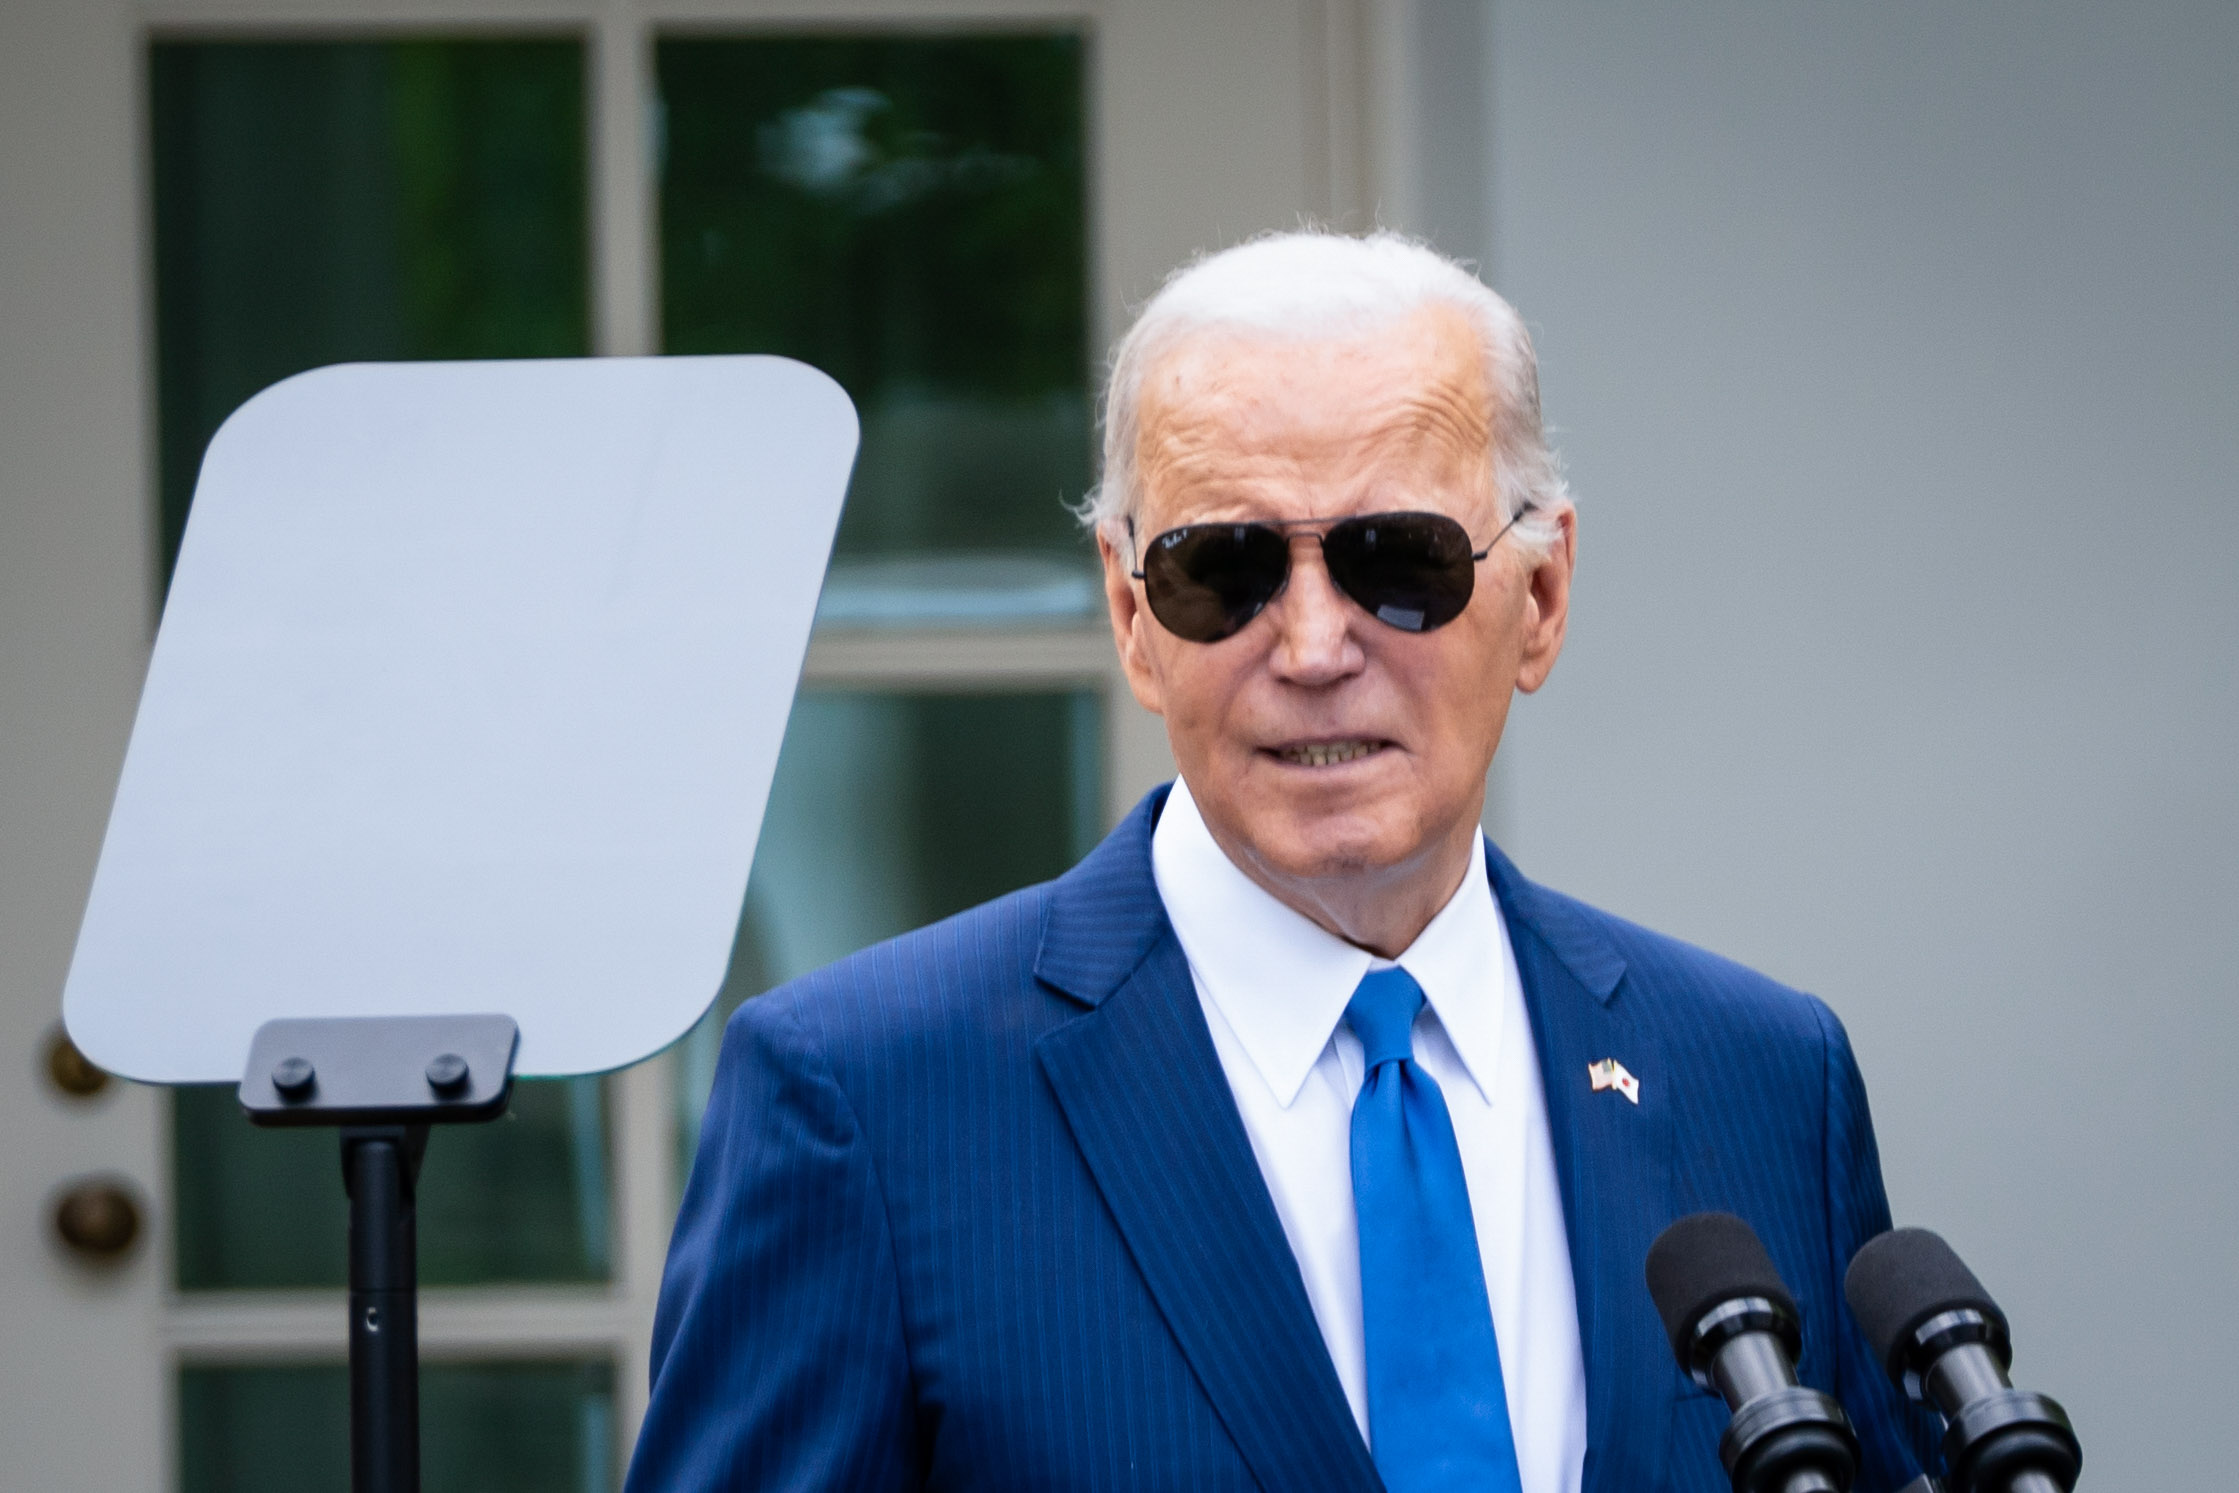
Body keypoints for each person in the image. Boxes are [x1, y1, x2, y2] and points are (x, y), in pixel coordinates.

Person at [625, 231, 1931, 1492]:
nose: (1312, 645)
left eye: (1398, 561)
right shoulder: (867, 1098)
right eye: (1224, 570)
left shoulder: (1762, 1078)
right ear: (1135, 619)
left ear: (1540, 597)